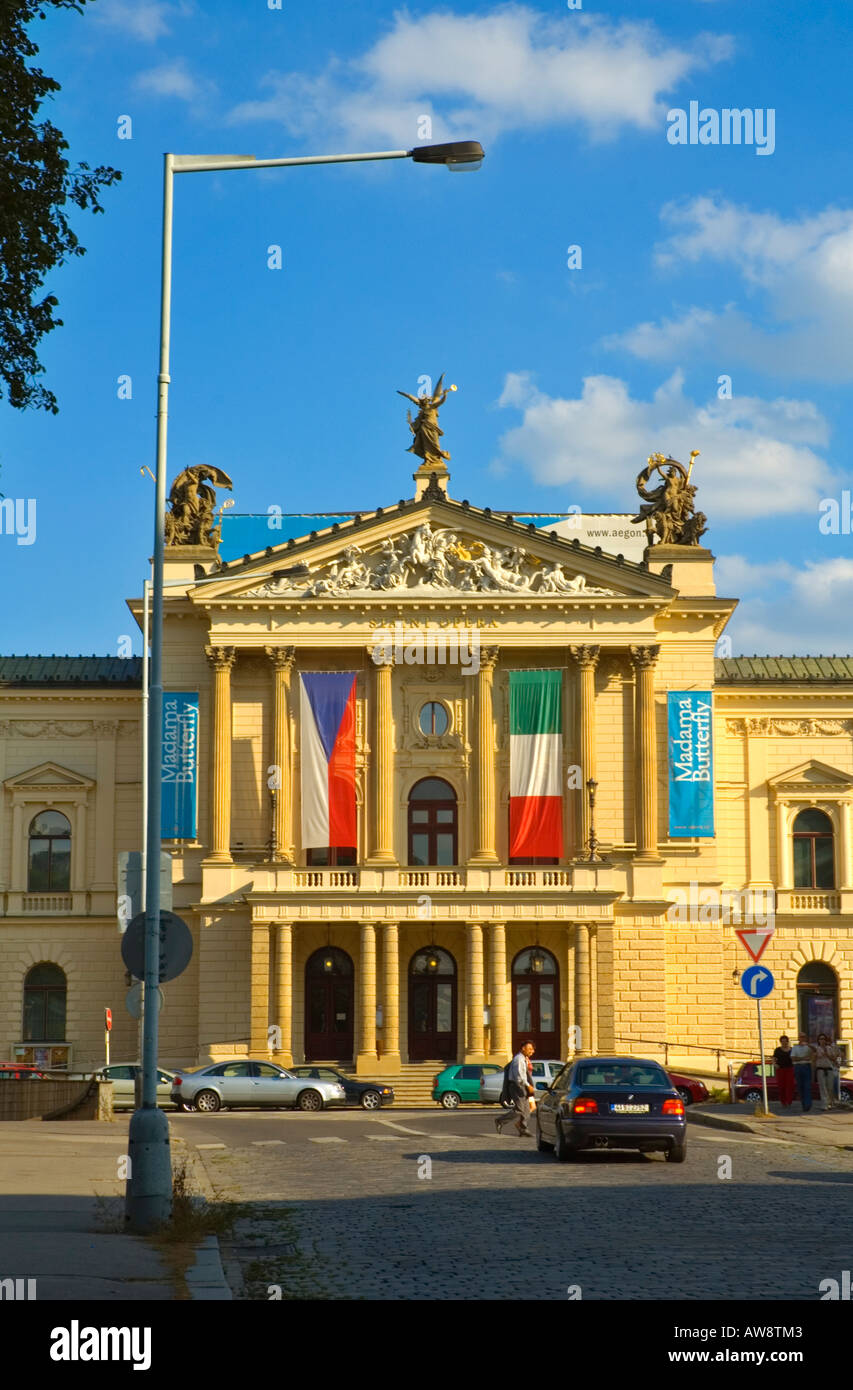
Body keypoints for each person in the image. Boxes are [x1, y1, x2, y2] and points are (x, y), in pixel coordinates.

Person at [495, 1041, 536, 1136]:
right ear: (523, 1048)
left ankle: (523, 1129)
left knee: (527, 1109)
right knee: (520, 1109)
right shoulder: (519, 1060)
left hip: (522, 1085)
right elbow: (519, 1076)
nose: (532, 1051)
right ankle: (500, 1120)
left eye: (533, 1049)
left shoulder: (523, 1059)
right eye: (530, 1049)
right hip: (517, 1086)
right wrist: (528, 1085)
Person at [813, 1034, 842, 1111]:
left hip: (829, 1069)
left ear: (825, 1040)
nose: (822, 1040)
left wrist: (827, 1054)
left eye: (823, 1039)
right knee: (823, 1087)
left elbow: (834, 1058)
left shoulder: (829, 1048)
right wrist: (815, 1056)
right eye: (820, 1039)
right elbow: (813, 1059)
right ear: (818, 1040)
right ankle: (824, 1104)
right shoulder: (817, 1049)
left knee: (830, 1087)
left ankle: (830, 1103)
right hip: (820, 1069)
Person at [791, 1032, 815, 1112]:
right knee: (800, 1086)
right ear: (798, 1038)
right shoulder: (795, 1048)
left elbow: (815, 1051)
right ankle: (804, 1104)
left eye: (804, 1037)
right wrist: (804, 1058)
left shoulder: (808, 1047)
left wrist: (809, 1045)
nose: (802, 1038)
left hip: (806, 1066)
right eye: (801, 1037)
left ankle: (808, 1104)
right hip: (798, 1067)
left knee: (807, 1086)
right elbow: (793, 1058)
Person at [772, 1035, 795, 1108]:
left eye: (785, 1041)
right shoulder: (777, 1050)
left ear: (788, 1042)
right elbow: (774, 1059)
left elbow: (794, 1059)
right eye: (782, 1042)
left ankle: (789, 1101)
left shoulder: (792, 1050)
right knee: (781, 1086)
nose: (784, 1043)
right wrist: (775, 1064)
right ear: (780, 1042)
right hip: (780, 1070)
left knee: (789, 1086)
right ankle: (783, 1102)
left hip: (789, 1070)